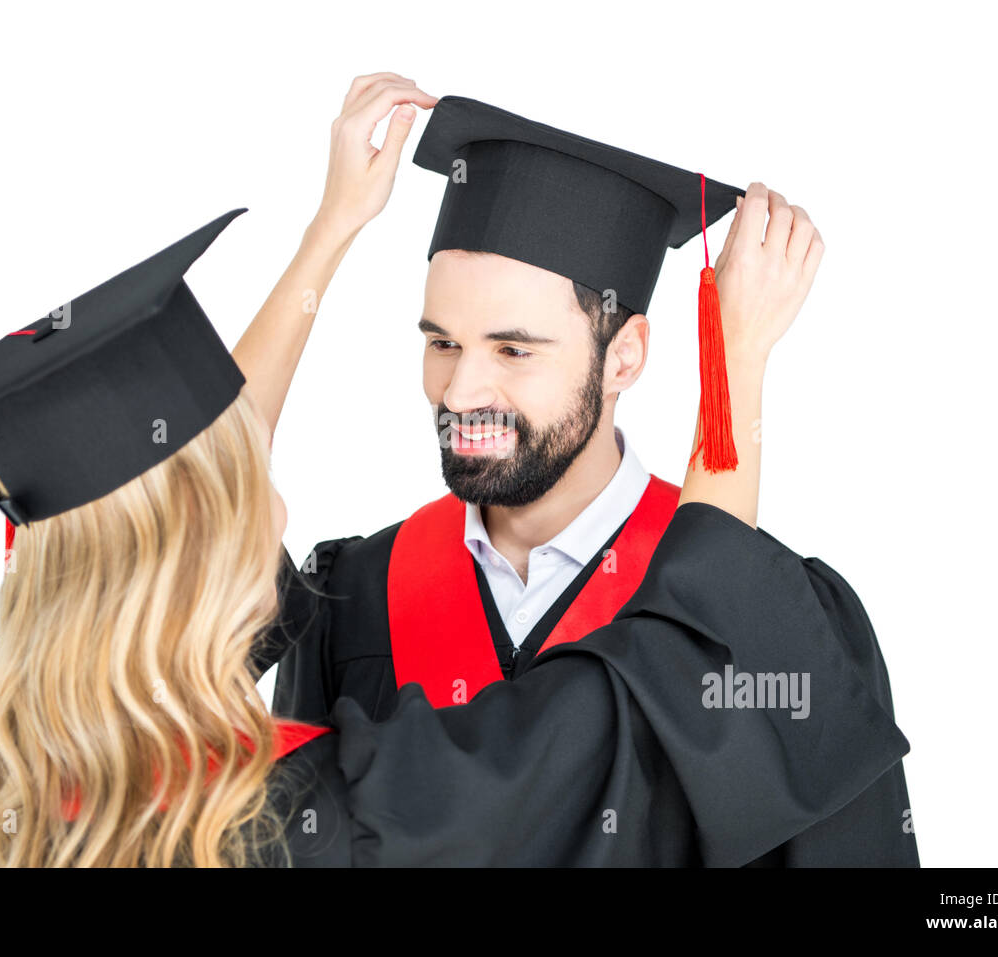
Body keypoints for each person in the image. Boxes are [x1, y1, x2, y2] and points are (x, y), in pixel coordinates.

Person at [0, 208, 914, 867]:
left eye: (512, 348)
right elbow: (676, 663)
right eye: (439, 342)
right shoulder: (328, 812)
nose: (284, 513)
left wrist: (332, 229)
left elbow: (144, 575)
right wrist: (737, 362)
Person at [233, 78, 916, 863]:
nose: (459, 391)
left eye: (513, 349)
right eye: (442, 342)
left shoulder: (780, 625)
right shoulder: (354, 597)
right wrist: (334, 223)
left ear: (623, 356)